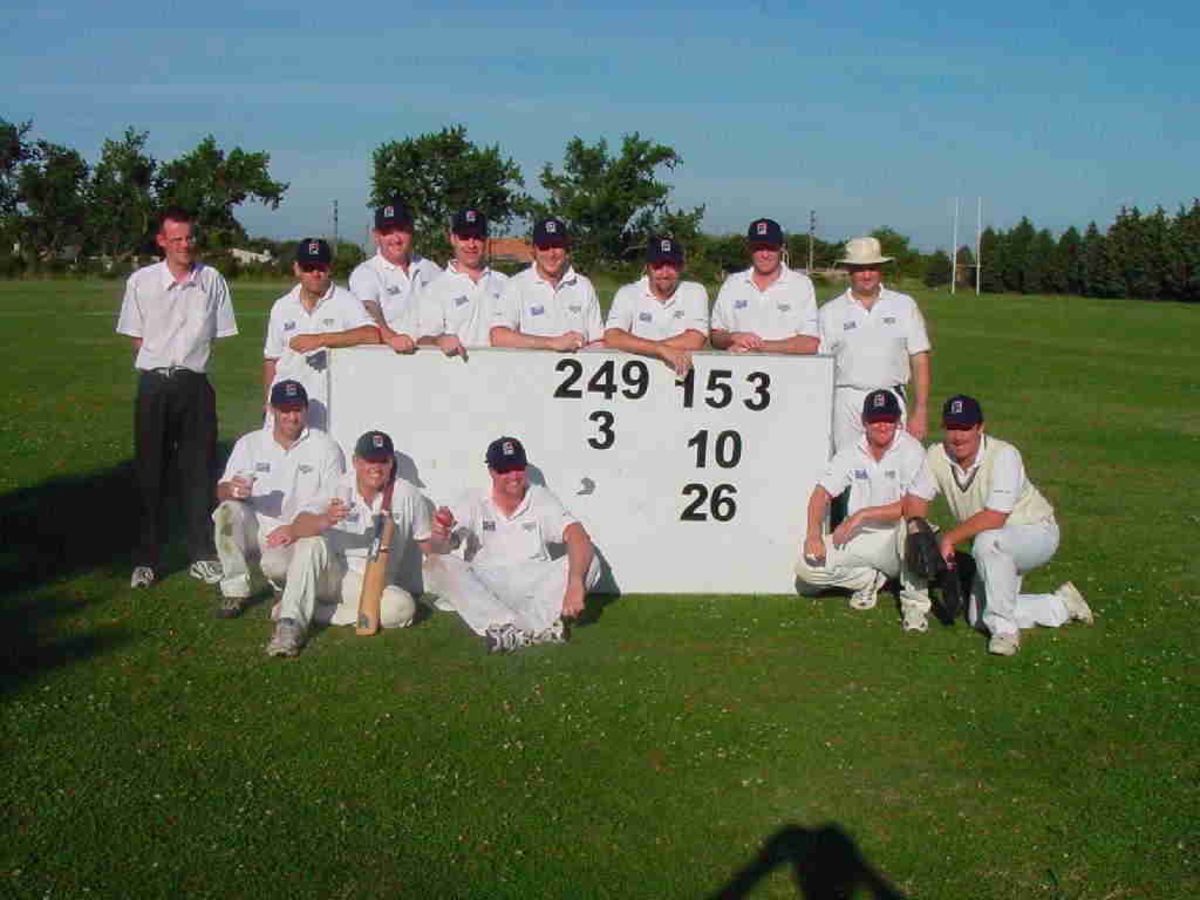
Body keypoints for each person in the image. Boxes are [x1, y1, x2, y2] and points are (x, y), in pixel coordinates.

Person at [902, 395, 1095, 655]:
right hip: (994, 544)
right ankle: (1061, 605)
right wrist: (917, 528)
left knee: (987, 541)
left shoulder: (1004, 455)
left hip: (1036, 532)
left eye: (965, 428)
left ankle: (1005, 633)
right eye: (951, 428)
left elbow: (996, 517)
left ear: (980, 428)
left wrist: (947, 540)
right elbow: (915, 499)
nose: (958, 436)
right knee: (978, 617)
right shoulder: (936, 455)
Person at [116, 206, 238, 589]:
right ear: (162, 241)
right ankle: (147, 560)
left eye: (189, 237)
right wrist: (160, 366)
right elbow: (137, 336)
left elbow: (216, 333)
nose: (185, 245)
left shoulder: (212, 280)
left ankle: (201, 554)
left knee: (199, 472)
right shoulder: (141, 281)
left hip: (195, 385)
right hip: (154, 385)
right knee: (150, 472)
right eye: (177, 239)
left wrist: (184, 366)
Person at [264, 429, 434, 658]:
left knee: (402, 608)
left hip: (374, 585)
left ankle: (313, 610)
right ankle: (289, 625)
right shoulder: (339, 486)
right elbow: (299, 524)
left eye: (383, 461)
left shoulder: (408, 494)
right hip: (333, 574)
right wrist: (326, 519)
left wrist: (444, 536)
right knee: (312, 543)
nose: (376, 467)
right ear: (355, 461)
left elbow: (428, 545)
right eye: (369, 461)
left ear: (391, 462)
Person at [423, 436, 601, 653]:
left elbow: (578, 536)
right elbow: (438, 550)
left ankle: (511, 632)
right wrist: (439, 536)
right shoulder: (473, 499)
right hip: (487, 586)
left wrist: (575, 583)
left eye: (517, 468)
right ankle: (532, 629)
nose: (513, 476)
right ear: (491, 471)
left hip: (534, 586)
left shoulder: (540, 498)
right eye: (504, 470)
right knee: (435, 564)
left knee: (590, 561)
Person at [211, 380, 345, 620]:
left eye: (297, 410)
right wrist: (232, 490)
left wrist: (295, 528)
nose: (292, 417)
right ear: (272, 410)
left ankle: (282, 587)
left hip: (298, 533)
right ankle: (235, 590)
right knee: (226, 512)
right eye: (285, 410)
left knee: (276, 566)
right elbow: (221, 490)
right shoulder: (250, 443)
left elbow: (330, 499)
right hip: (258, 527)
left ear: (305, 410)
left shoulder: (325, 447)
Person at [795, 390, 928, 621]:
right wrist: (813, 534)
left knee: (914, 528)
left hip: (897, 536)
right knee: (806, 570)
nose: (882, 425)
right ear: (864, 421)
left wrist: (862, 515)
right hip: (859, 537)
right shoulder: (851, 451)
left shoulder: (912, 449)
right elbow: (821, 493)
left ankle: (915, 608)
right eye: (876, 419)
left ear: (898, 421)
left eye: (888, 419)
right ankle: (868, 579)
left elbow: (912, 505)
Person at [819, 236, 932, 453]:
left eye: (872, 268)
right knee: (848, 470)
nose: (867, 275)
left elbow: (919, 359)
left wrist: (921, 410)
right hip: (847, 401)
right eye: (860, 269)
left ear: (880, 269)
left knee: (894, 470)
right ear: (849, 270)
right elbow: (820, 370)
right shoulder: (829, 312)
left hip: (892, 397)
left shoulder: (904, 305)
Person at [263, 238, 380, 430]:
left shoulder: (345, 301)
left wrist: (321, 339)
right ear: (297, 269)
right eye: (308, 268)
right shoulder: (282, 306)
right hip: (286, 404)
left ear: (330, 268)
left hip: (328, 405)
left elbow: (372, 335)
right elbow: (271, 360)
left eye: (321, 268)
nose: (315, 274)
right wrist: (268, 403)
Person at [490, 217, 604, 352]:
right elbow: (498, 336)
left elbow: (599, 340)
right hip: (529, 371)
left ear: (566, 249)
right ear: (534, 250)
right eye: (544, 247)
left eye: (557, 246)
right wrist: (552, 343)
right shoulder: (516, 285)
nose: (551, 254)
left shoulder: (584, 286)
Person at [710, 218, 819, 355]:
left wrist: (759, 347)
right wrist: (733, 338)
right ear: (749, 248)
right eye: (758, 248)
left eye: (771, 248)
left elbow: (810, 343)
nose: (765, 254)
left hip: (788, 372)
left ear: (782, 248)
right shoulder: (732, 283)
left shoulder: (801, 284)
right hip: (739, 371)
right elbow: (716, 336)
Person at [603, 236, 708, 376]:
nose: (665, 273)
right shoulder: (628, 293)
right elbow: (612, 337)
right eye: (658, 266)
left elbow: (696, 339)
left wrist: (642, 347)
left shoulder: (695, 291)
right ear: (647, 268)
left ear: (681, 267)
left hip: (681, 378)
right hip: (636, 378)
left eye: (671, 265)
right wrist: (660, 350)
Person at [349, 197, 442, 353]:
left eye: (401, 230)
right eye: (387, 232)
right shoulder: (366, 272)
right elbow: (368, 306)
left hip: (432, 355)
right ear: (376, 235)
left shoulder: (431, 269)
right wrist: (390, 336)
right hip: (389, 357)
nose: (396, 239)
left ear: (411, 231)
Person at [416, 208, 509, 355]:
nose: (471, 244)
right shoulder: (435, 288)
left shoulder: (505, 283)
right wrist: (439, 340)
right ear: (453, 239)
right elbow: (423, 340)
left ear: (486, 240)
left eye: (477, 237)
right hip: (455, 373)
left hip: (500, 372)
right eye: (464, 237)